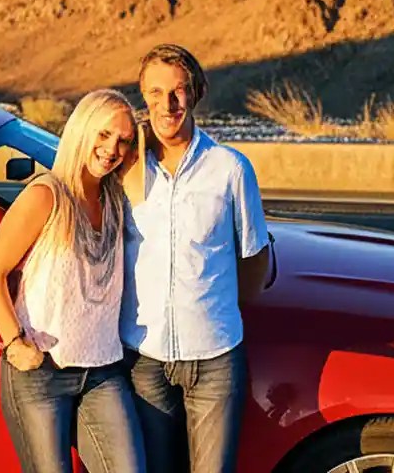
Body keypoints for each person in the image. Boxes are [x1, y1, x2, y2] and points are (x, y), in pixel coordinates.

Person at [120, 44, 273, 473]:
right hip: (144, 359)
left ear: (196, 92)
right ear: (143, 96)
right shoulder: (127, 168)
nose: (168, 105)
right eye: (156, 92)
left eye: (179, 90)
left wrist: (214, 311)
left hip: (215, 359)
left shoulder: (230, 169)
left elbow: (253, 258)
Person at [0, 89, 147, 473]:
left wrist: (140, 144)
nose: (112, 148)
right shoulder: (45, 196)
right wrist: (15, 343)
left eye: (123, 140)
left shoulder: (116, 200)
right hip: (42, 372)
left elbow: (142, 170)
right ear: (81, 131)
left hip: (103, 369)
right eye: (103, 135)